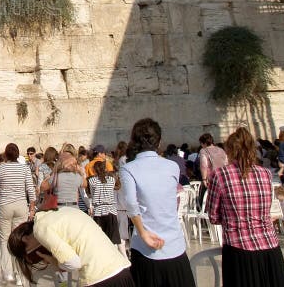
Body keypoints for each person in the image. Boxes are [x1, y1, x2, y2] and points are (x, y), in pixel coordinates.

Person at [207, 127, 284, 286]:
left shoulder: (220, 175)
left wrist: (233, 218)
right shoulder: (265, 173)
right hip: (270, 247)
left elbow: (213, 216)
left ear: (229, 150)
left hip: (238, 248)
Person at [120, 118, 195, 287]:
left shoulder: (128, 168)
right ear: (159, 142)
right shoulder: (172, 167)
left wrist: (143, 233)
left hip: (145, 248)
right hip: (175, 245)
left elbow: (131, 203)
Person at [7, 208, 133, 287]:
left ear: (25, 239)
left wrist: (54, 262)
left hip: (99, 279)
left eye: (29, 254)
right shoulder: (64, 213)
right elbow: (64, 276)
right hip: (122, 271)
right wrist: (57, 264)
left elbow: (73, 263)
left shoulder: (40, 228)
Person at [0, 142, 36, 283]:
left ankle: (8, 273)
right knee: (19, 239)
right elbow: (30, 189)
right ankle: (19, 274)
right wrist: (32, 208)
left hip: (4, 206)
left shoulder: (0, 168)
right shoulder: (25, 168)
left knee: (5, 239)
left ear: (6, 154)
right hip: (21, 205)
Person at [87, 161, 121, 246]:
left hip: (98, 211)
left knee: (100, 241)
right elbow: (117, 186)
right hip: (111, 211)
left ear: (94, 170)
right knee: (113, 242)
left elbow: (92, 194)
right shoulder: (111, 179)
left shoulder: (92, 181)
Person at [198, 133, 228, 206]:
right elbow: (226, 163)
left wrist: (204, 179)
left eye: (201, 143)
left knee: (205, 198)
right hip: (223, 177)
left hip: (211, 178)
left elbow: (204, 165)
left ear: (204, 143)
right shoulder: (221, 150)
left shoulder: (204, 151)